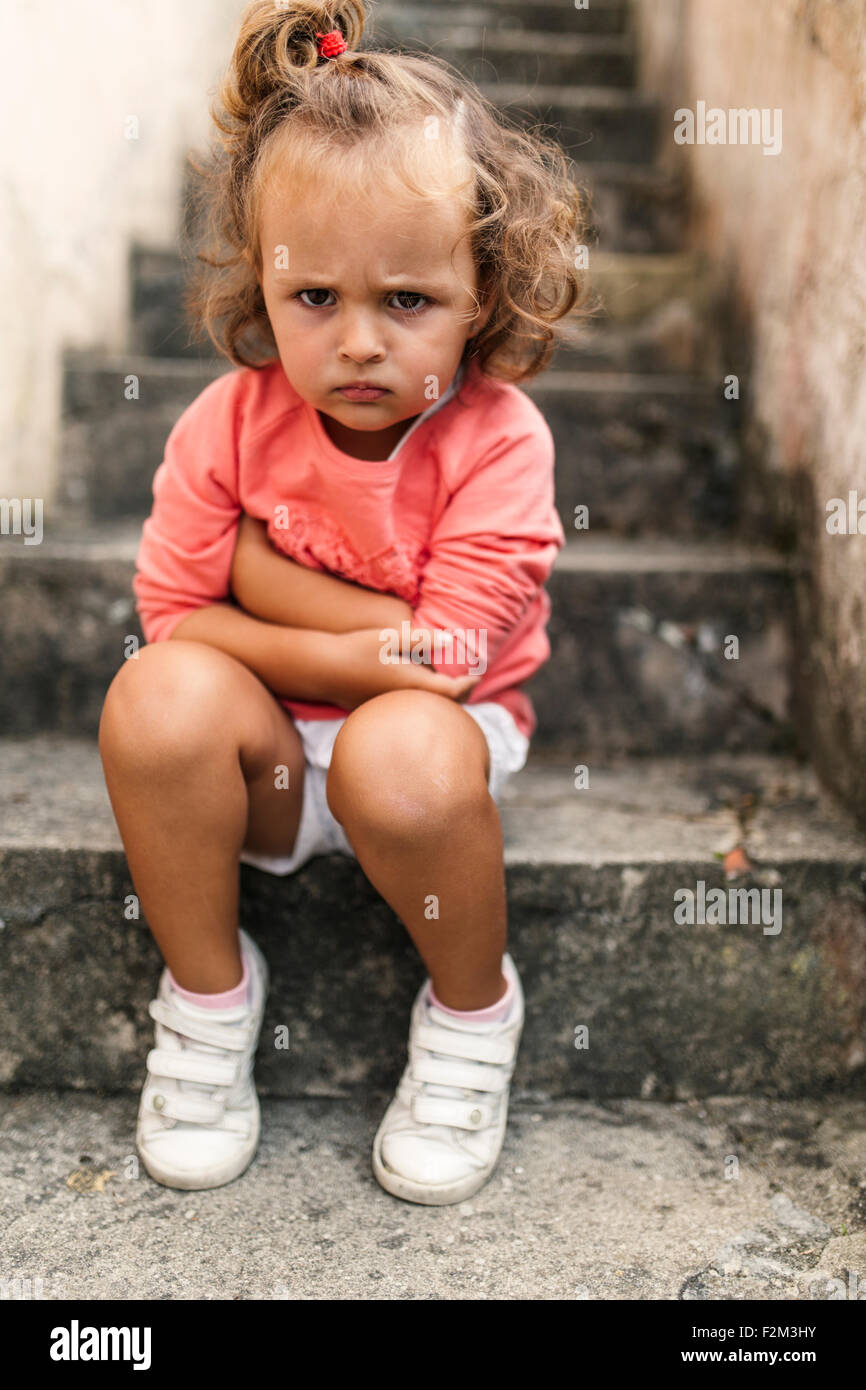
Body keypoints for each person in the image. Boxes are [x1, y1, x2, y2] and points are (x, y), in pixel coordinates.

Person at [98, 0, 586, 1205]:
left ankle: (472, 1017)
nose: (358, 342)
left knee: (398, 754)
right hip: (262, 765)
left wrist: (260, 579)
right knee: (154, 702)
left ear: (483, 289)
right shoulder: (228, 418)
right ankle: (210, 1006)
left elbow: (451, 662)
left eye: (407, 301)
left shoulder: (495, 440)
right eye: (314, 297)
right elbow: (173, 619)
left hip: (425, 763)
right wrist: (361, 631)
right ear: (261, 284)